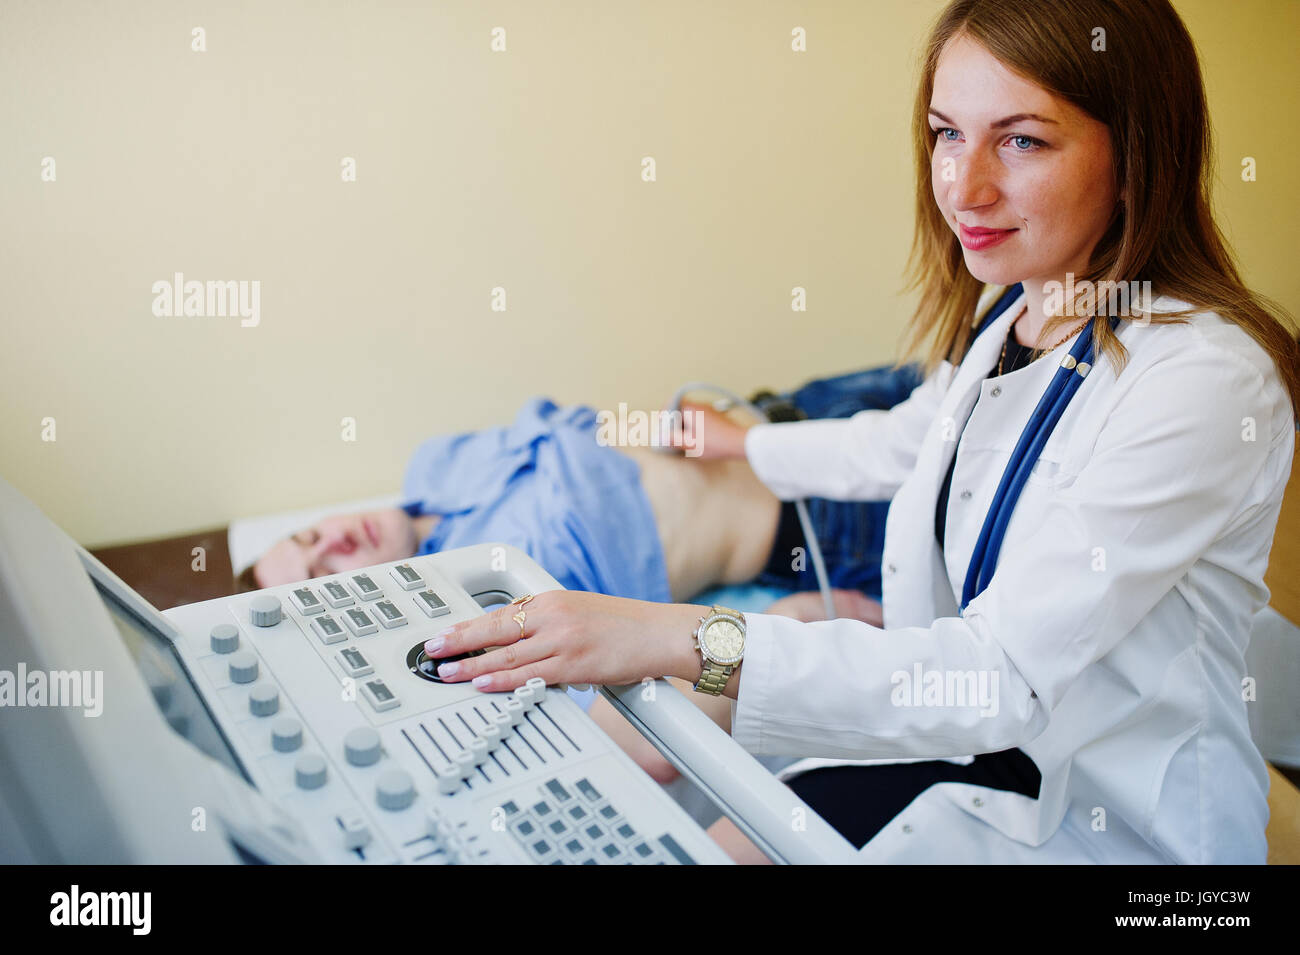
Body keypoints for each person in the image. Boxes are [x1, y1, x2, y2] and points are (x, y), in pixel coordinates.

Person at [424, 0, 1300, 864]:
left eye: (1022, 140)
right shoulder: (1017, 314)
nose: (963, 185)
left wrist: (671, 634)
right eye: (946, 133)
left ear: (1138, 153)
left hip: (1127, 829)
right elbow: (899, 442)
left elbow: (997, 677)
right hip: (976, 751)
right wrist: (742, 445)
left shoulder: (1205, 378)